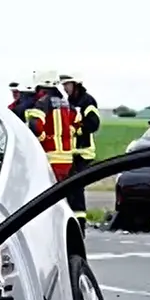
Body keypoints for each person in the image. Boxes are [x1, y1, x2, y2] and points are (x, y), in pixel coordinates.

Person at [24, 74, 80, 215]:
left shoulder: (44, 102)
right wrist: (68, 133)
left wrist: (43, 139)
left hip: (51, 157)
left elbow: (35, 126)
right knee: (61, 196)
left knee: (48, 198)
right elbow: (78, 121)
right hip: (67, 158)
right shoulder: (64, 102)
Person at [60, 72, 102, 222]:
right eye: (63, 85)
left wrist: (77, 129)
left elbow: (94, 123)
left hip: (83, 152)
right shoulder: (68, 101)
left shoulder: (87, 101)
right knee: (70, 189)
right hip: (71, 152)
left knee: (76, 189)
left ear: (75, 84)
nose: (65, 88)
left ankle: (80, 223)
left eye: (67, 85)